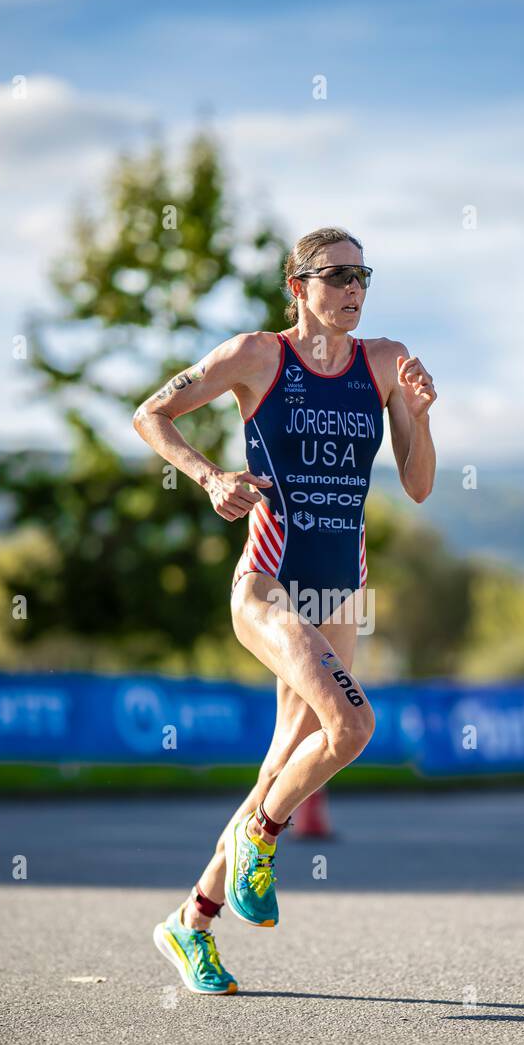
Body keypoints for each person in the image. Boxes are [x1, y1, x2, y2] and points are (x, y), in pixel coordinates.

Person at [133, 226, 436, 994]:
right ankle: (263, 842)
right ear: (297, 287)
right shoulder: (256, 355)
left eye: (363, 274)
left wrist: (423, 416)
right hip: (268, 586)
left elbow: (421, 483)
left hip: (341, 592)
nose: (353, 288)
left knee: (282, 762)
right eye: (335, 275)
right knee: (355, 726)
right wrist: (207, 478)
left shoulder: (386, 364)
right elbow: (151, 415)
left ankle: (190, 922)